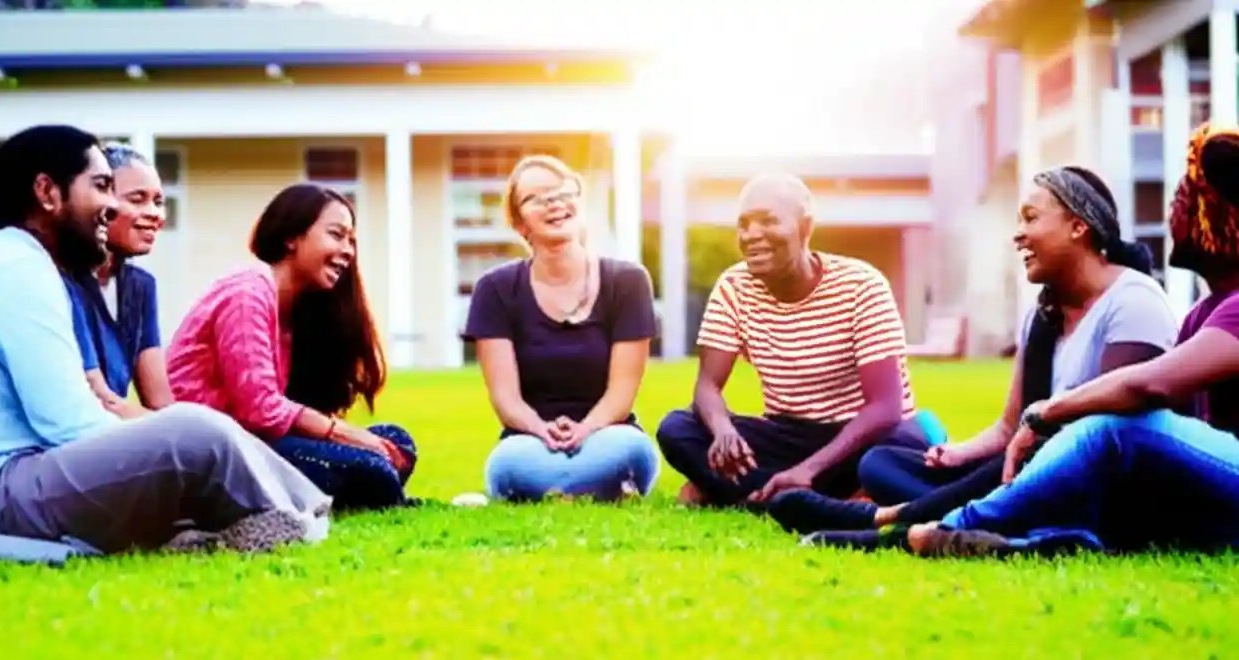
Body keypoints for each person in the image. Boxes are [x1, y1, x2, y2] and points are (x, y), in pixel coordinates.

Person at [0, 125, 330, 556]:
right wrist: (162, 447)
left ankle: (297, 514)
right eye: (101, 187)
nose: (110, 206)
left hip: (20, 482)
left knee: (191, 434)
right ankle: (294, 522)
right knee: (193, 433)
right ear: (47, 191)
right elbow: (66, 424)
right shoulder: (16, 270)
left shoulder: (25, 265)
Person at [776, 166, 1177, 540]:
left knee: (1025, 466)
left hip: (1100, 478)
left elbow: (1110, 430)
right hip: (1028, 465)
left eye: (1031, 218)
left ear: (1078, 226)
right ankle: (955, 511)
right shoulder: (1042, 317)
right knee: (881, 463)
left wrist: (1028, 438)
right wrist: (957, 453)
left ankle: (886, 520)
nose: (1018, 234)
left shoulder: (1133, 300)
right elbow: (1008, 430)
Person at [895, 122, 1239, 557]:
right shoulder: (1204, 314)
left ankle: (946, 527)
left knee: (1110, 430)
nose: (1172, 216)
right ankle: (1045, 543)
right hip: (1217, 493)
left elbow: (1149, 386)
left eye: (1180, 202)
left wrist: (1044, 414)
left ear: (1218, 212)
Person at [655, 173, 929, 511]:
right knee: (678, 429)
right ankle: (822, 498)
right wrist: (723, 430)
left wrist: (808, 469)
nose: (752, 234)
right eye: (744, 224)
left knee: (891, 455)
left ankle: (764, 493)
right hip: (790, 432)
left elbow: (885, 408)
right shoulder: (734, 286)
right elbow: (707, 387)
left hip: (863, 433)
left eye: (769, 221)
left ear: (805, 227)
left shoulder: (862, 285)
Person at [166, 183, 417, 512]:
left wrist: (357, 438)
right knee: (371, 470)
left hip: (257, 445)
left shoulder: (296, 312)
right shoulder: (248, 292)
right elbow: (260, 410)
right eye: (336, 235)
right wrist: (345, 435)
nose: (348, 251)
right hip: (214, 453)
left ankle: (352, 494)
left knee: (396, 440)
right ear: (291, 237)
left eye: (351, 240)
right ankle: (369, 494)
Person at [463, 155, 659, 502]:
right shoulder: (494, 289)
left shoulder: (628, 281)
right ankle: (594, 490)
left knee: (633, 448)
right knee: (507, 462)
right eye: (536, 198)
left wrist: (586, 430)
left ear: (579, 202)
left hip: (608, 435)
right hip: (530, 441)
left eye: (562, 192)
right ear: (520, 223)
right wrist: (542, 429)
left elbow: (622, 393)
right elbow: (506, 398)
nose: (554, 203)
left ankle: (550, 492)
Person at [64, 142, 173, 417]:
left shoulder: (140, 287)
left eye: (159, 202)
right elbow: (98, 402)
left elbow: (159, 401)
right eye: (137, 199)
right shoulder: (62, 282)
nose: (155, 215)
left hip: (121, 433)